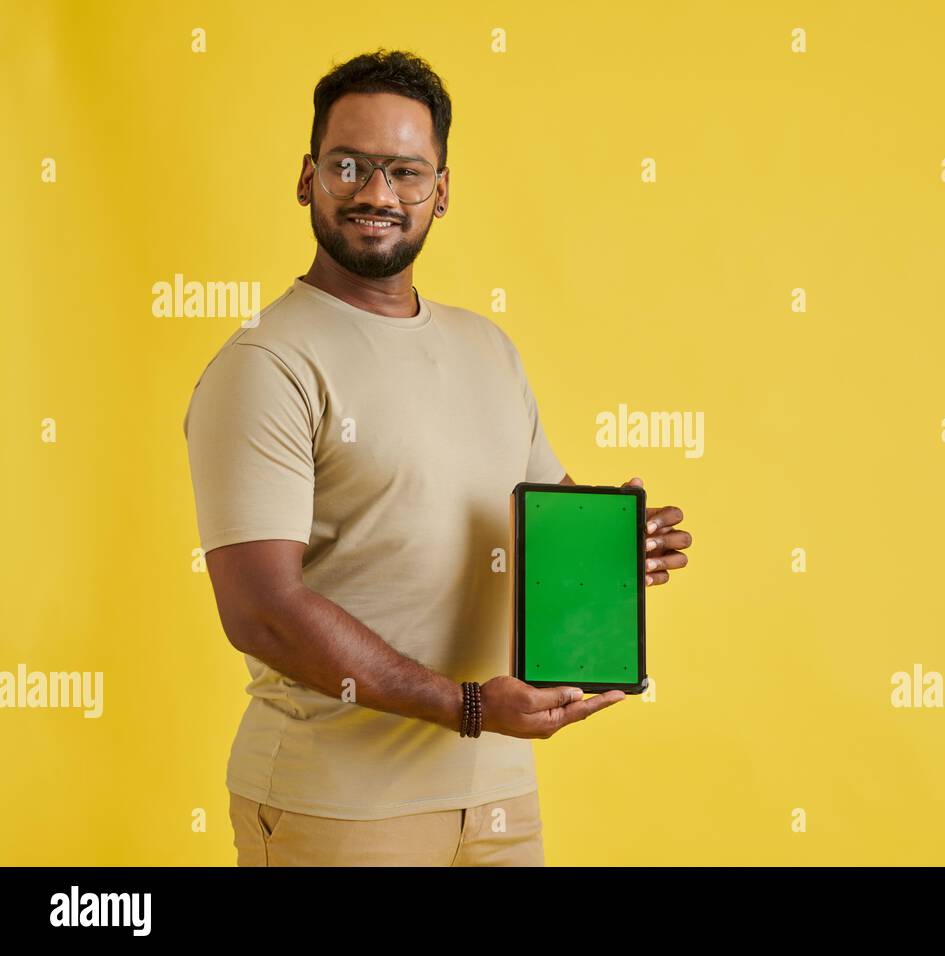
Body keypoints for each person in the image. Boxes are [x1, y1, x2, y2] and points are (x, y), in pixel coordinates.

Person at [182, 49, 692, 866]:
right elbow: (263, 610)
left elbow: (540, 518)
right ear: (308, 177)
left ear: (441, 192)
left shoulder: (486, 347)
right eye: (350, 166)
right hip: (339, 808)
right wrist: (469, 707)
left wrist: (612, 548)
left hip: (496, 800)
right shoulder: (267, 364)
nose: (377, 194)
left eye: (405, 172)